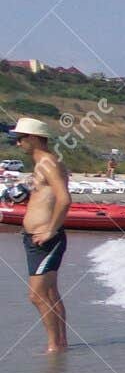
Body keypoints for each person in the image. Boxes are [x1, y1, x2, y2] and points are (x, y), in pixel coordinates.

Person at [12, 118, 70, 353]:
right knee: (50, 293)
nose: (18, 144)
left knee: (36, 296)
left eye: (21, 138)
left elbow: (64, 198)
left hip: (45, 239)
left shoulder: (48, 162)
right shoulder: (42, 165)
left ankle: (54, 347)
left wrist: (51, 229)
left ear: (34, 138)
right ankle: (61, 343)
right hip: (36, 239)